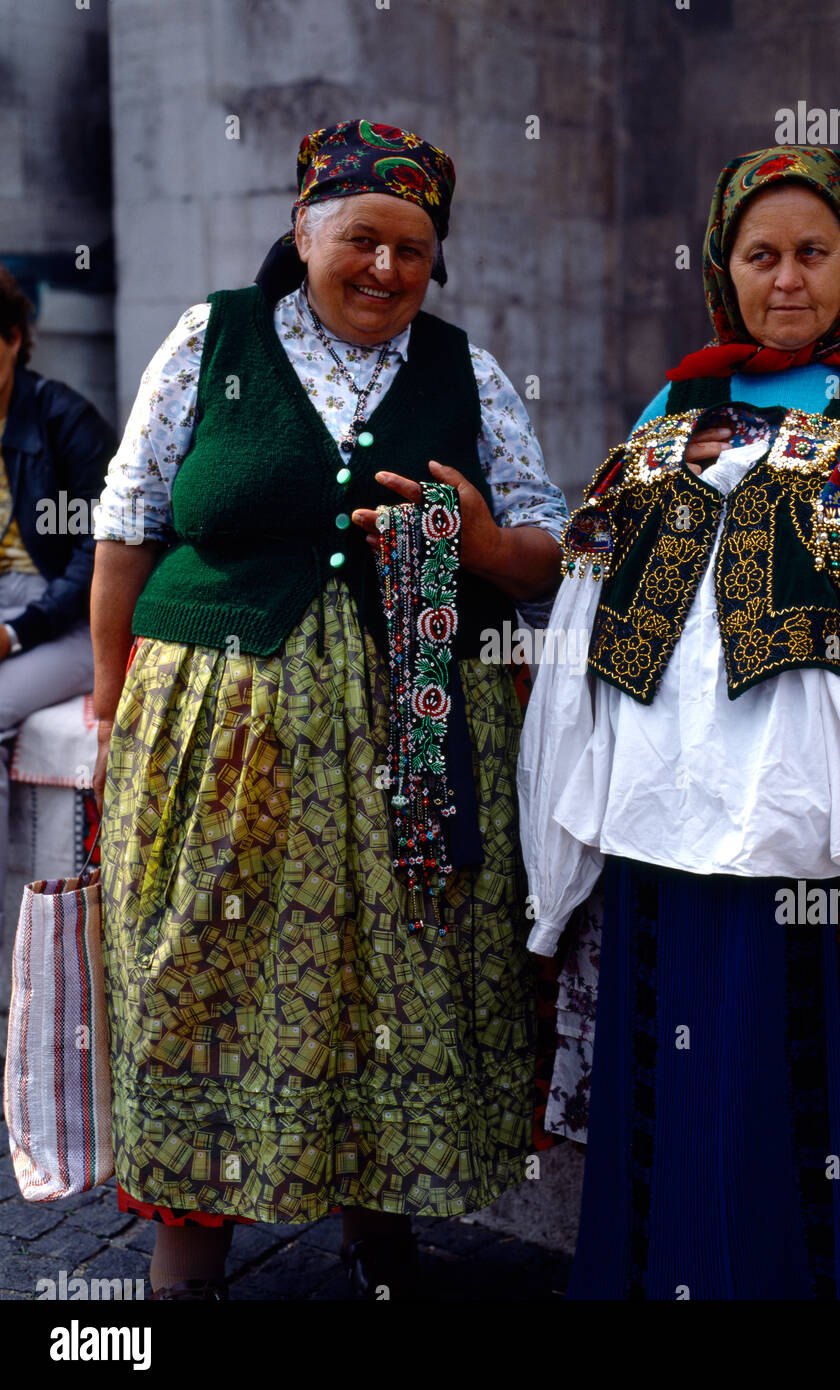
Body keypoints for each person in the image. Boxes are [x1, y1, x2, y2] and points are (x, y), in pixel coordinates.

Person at [519, 145, 840, 1300]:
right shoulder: (679, 403)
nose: (787, 278)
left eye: (813, 251)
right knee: (680, 1037)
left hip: (839, 801)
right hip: (665, 791)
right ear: (723, 269)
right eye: (759, 255)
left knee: (791, 1047)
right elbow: (594, 559)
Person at [91, 119, 567, 1300]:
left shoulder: (465, 369)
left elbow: (547, 547)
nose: (386, 269)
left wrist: (481, 544)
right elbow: (127, 521)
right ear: (302, 232)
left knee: (401, 970)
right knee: (202, 968)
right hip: (221, 742)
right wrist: (108, 697)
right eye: (361, 238)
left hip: (419, 737)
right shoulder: (215, 338)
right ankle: (186, 1253)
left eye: (414, 250)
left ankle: (380, 1224)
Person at [0, 265, 115, 947]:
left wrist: (17, 632)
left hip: (66, 617)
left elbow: (103, 553)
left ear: (14, 338)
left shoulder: (66, 420)